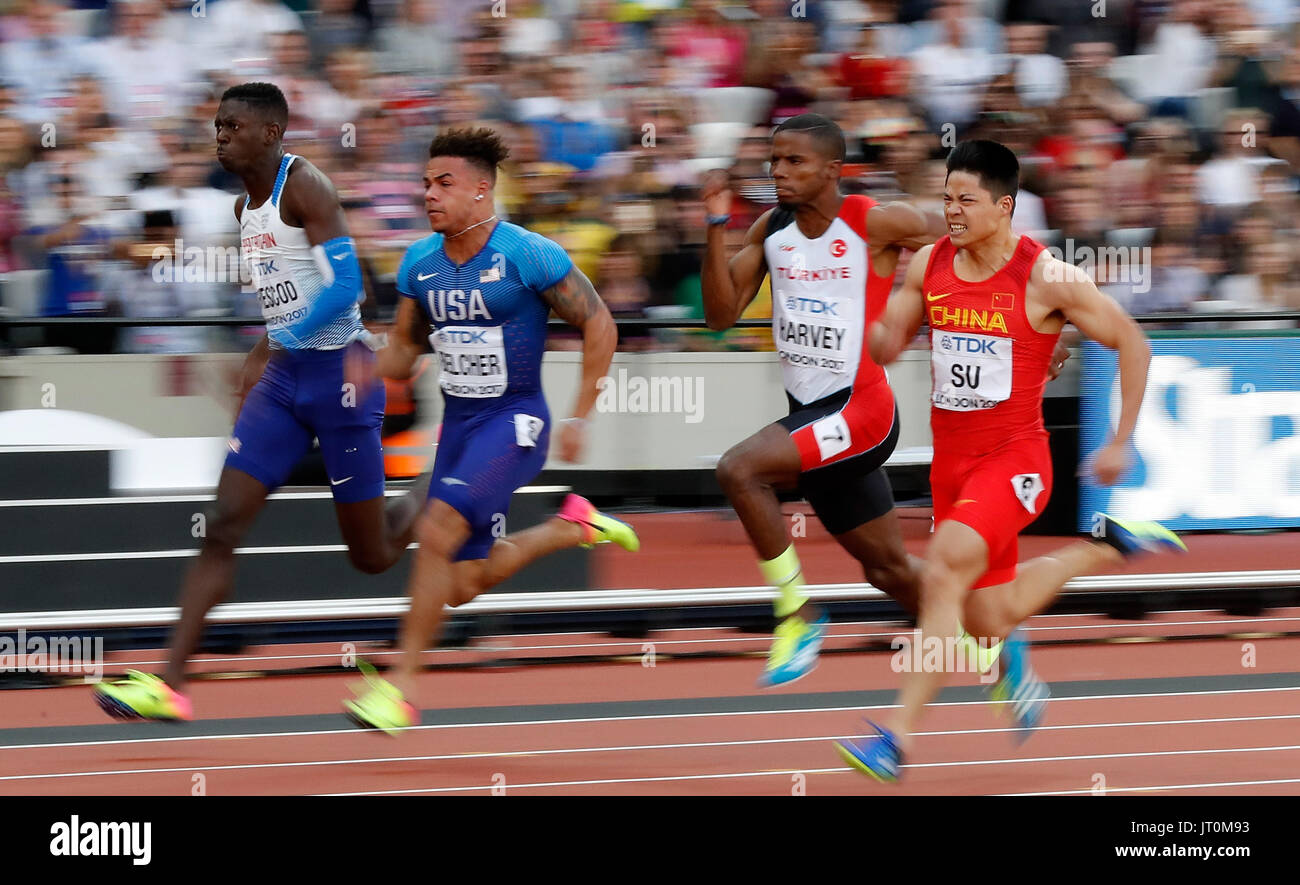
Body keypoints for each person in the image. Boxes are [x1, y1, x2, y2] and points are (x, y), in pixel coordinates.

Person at [836, 140, 1186, 782]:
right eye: (945, 198)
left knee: (941, 573)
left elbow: (1132, 342)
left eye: (965, 200)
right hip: (954, 470)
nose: (951, 212)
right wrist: (871, 308)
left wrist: (1120, 438)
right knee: (988, 616)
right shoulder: (930, 264)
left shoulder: (1047, 276)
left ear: (1005, 206)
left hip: (1017, 461)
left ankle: (895, 738)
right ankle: (1103, 547)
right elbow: (888, 339)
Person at [93, 82, 429, 721]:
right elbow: (279, 304)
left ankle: (436, 492)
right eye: (217, 125)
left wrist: (287, 340)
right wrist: (258, 366)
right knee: (221, 527)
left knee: (372, 555)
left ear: (271, 132)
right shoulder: (243, 210)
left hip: (342, 379)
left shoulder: (306, 187)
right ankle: (170, 683)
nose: (219, 135)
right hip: (284, 382)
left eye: (232, 126)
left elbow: (350, 291)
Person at [341, 127, 639, 733]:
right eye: (425, 183)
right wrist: (360, 361)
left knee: (437, 524)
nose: (428, 195)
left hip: (517, 421)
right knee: (462, 584)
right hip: (460, 428)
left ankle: (399, 689)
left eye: (443, 184)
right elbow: (403, 351)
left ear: (482, 189)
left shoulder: (530, 255)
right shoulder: (418, 263)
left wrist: (582, 413)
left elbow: (601, 325)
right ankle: (570, 527)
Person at [704, 112, 982, 688]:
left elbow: (972, 238)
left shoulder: (875, 222)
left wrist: (1034, 318)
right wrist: (712, 227)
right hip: (814, 417)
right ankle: (990, 649)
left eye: (794, 161)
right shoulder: (770, 229)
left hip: (862, 411)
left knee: (738, 469)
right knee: (888, 570)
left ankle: (797, 615)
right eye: (774, 161)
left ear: (833, 170)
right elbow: (719, 316)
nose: (778, 171)